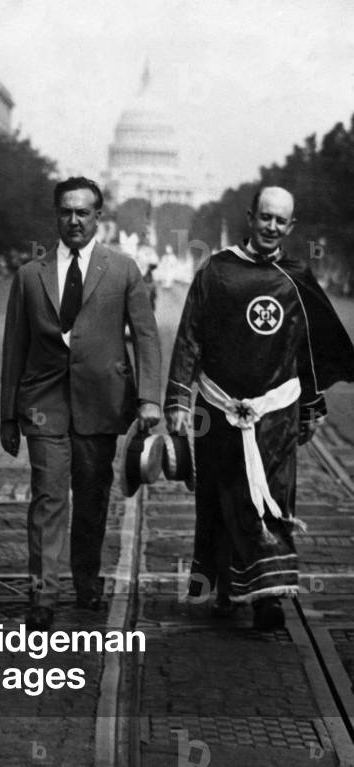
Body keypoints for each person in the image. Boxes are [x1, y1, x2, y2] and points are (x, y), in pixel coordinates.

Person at [165, 186, 354, 630]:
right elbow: (191, 335)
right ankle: (225, 591)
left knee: (270, 500)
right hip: (217, 409)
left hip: (275, 415)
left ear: (290, 227)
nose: (271, 227)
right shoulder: (216, 272)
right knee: (220, 498)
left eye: (279, 221)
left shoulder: (296, 278)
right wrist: (177, 398)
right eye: (264, 217)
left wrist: (310, 406)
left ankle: (268, 597)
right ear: (251, 217)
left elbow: (305, 349)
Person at [0, 176, 162, 632]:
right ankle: (42, 595)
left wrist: (149, 397)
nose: (74, 220)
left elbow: (146, 336)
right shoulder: (30, 276)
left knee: (92, 498)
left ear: (98, 217)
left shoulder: (124, 270)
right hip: (43, 404)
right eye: (66, 212)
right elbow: (15, 346)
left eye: (83, 212)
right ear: (56, 216)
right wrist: (8, 415)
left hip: (102, 403)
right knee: (47, 498)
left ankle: (87, 580)